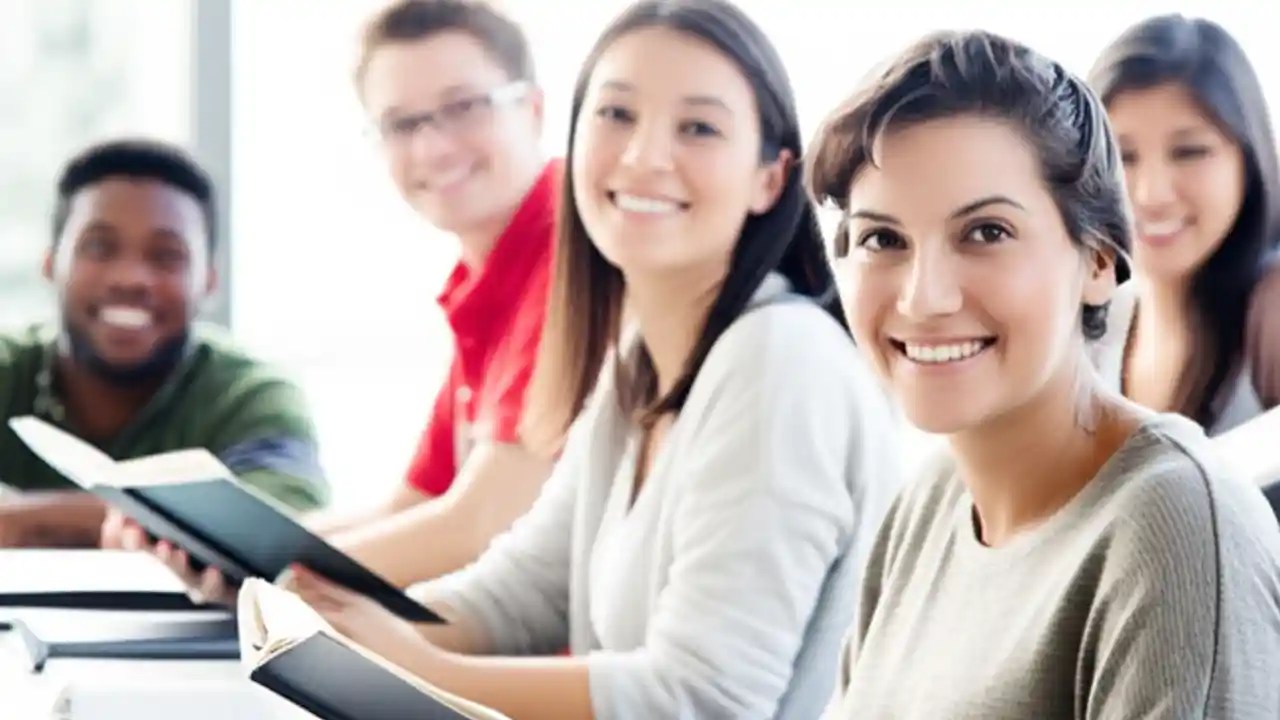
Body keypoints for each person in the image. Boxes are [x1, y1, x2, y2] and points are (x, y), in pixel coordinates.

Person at [284, 1, 901, 718]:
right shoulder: (641, 359)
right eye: (615, 115)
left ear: (771, 177)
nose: (643, 156)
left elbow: (702, 698)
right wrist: (349, 624)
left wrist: (414, 665)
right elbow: (528, 590)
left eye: (698, 127)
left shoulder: (781, 361)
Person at [807, 30, 1280, 717]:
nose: (923, 297)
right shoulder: (930, 502)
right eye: (883, 238)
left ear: (1097, 260)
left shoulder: (1174, 530)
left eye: (986, 232)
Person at [114, 0, 560, 597]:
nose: (433, 148)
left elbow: (478, 526)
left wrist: (264, 574)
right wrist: (225, 548)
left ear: (532, 110)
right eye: (402, 124)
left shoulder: (568, 255)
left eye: (463, 108)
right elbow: (413, 505)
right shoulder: (484, 283)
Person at [0, 138, 329, 548]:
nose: (131, 278)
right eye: (99, 248)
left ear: (208, 280)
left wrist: (24, 520)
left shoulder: (250, 394)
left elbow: (287, 525)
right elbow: (240, 524)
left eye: (166, 255)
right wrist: (186, 521)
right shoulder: (7, 368)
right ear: (50, 263)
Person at [1087, 14, 1280, 438]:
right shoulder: (1101, 323)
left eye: (1189, 152)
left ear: (1248, 162)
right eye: (1123, 157)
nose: (1150, 194)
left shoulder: (1271, 310)